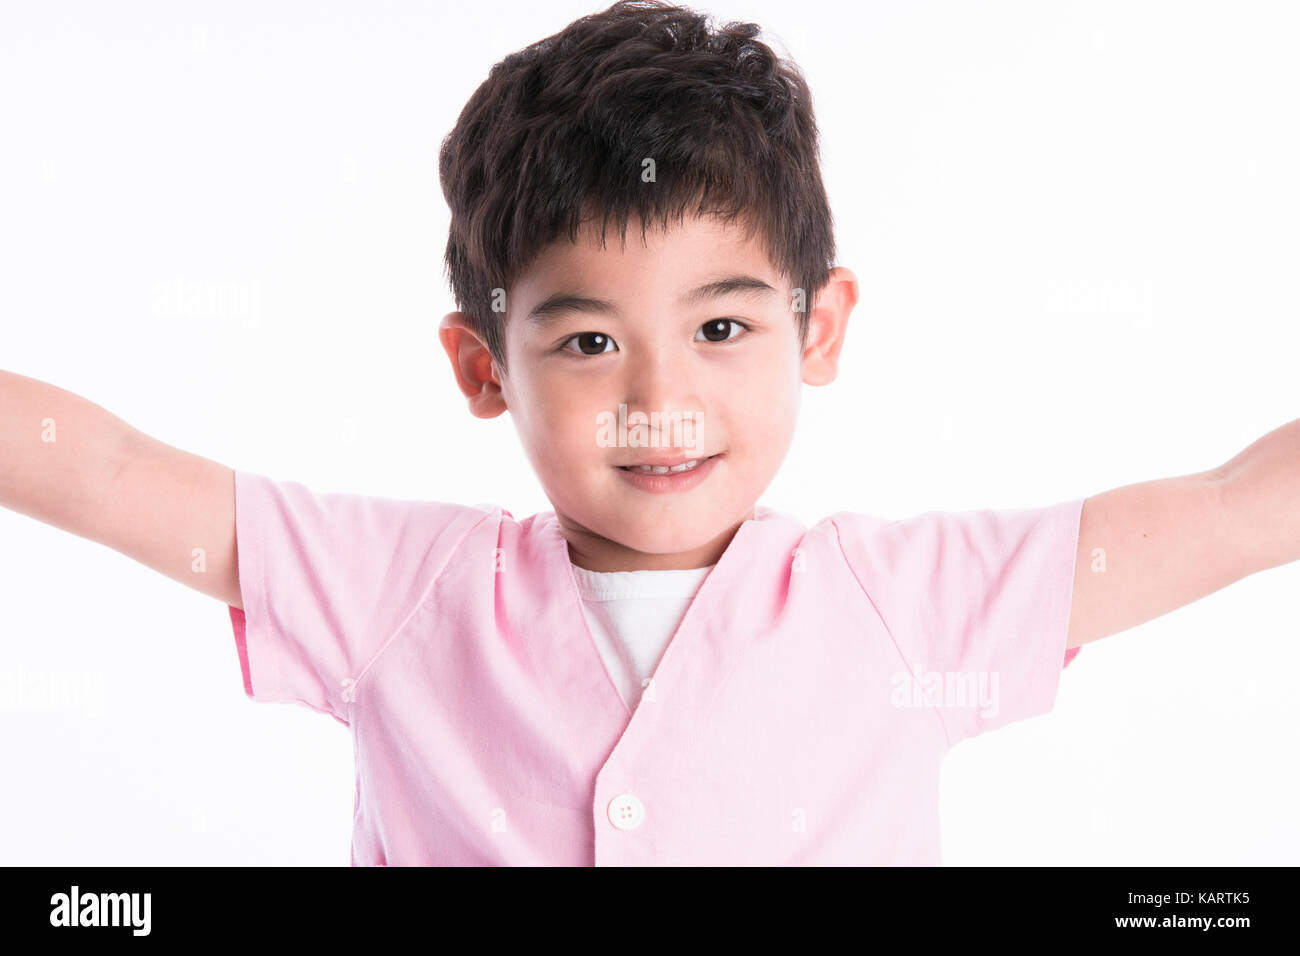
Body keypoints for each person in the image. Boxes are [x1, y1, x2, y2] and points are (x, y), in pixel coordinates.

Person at [2, 0, 1296, 865]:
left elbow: (1239, 506)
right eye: (586, 341)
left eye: (722, 330)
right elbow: (111, 473)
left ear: (820, 330)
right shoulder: (396, 593)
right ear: (481, 366)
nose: (657, 396)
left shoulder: (909, 607)